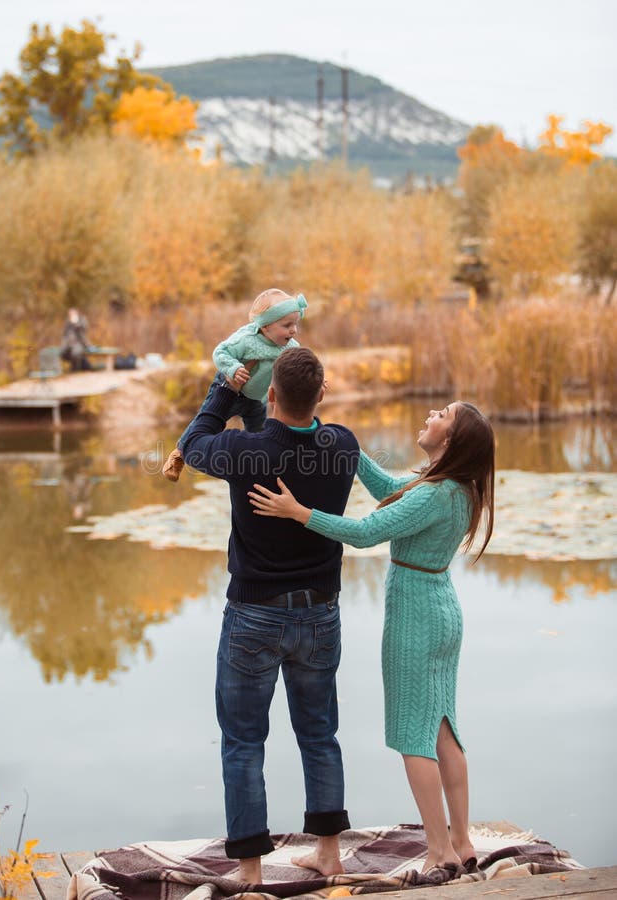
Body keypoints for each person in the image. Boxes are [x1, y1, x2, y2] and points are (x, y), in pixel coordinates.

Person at [248, 402, 495, 879]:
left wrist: (299, 513)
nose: (431, 413)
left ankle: (440, 850)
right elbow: (387, 491)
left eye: (442, 414)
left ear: (450, 439)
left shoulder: (433, 493)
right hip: (442, 609)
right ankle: (461, 841)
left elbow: (364, 533)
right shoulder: (453, 487)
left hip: (417, 617)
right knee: (443, 728)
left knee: (413, 736)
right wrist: (344, 443)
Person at [180, 347, 360, 884]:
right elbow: (302, 433)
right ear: (322, 394)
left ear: (272, 394)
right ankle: (328, 853)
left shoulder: (244, 450)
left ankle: (251, 871)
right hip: (319, 615)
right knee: (320, 734)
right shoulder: (342, 446)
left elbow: (192, 442)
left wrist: (227, 387)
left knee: (243, 742)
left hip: (253, 616)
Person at [161, 288, 307, 482]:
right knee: (208, 421)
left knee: (259, 433)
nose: (293, 330)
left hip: (256, 399)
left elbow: (299, 363)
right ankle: (179, 453)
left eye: (295, 324)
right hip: (230, 391)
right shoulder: (246, 340)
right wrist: (234, 368)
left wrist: (312, 377)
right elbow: (220, 352)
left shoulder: (290, 346)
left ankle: (261, 464)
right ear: (265, 326)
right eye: (287, 325)